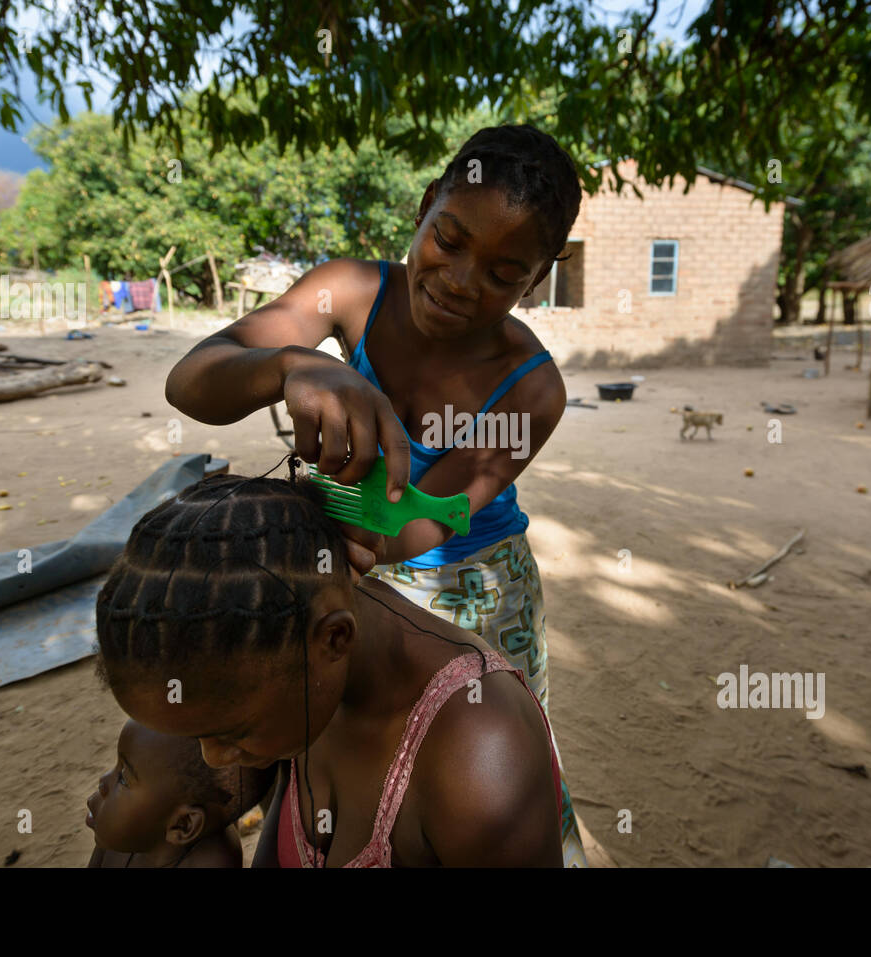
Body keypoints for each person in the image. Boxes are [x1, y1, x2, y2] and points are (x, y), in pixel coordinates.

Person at [164, 124, 587, 865]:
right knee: (330, 755)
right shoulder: (349, 291)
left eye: (503, 273)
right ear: (425, 207)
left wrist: (285, 519)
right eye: (449, 239)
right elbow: (194, 378)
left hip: (472, 586)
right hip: (342, 559)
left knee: (469, 774)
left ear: (537, 279)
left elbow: (405, 528)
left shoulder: (534, 389)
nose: (460, 280)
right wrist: (294, 364)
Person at [94, 473, 563, 867]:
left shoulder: (482, 764)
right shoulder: (300, 689)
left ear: (335, 638)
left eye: (230, 732)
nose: (214, 758)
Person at [84, 717, 259, 867]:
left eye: (123, 778)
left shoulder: (211, 862)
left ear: (183, 824)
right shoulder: (125, 833)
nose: (102, 782)